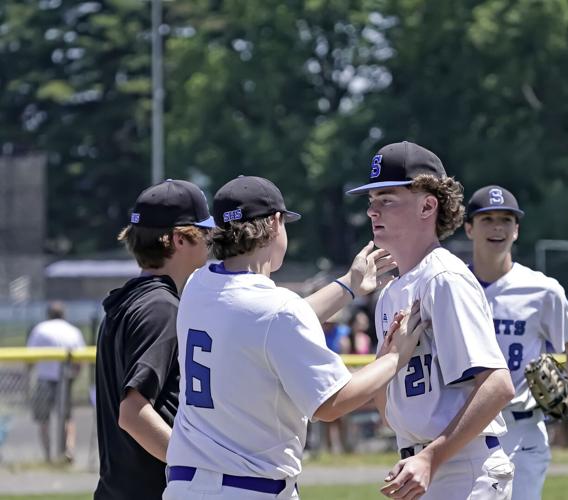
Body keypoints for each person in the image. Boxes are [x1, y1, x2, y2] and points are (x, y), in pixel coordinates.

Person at [164, 175, 425, 499]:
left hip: (182, 487)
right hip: (249, 489)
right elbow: (331, 404)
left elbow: (273, 323)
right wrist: (394, 358)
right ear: (275, 223)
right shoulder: (276, 310)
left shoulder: (197, 285)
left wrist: (349, 285)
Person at [348, 141, 516, 500]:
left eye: (387, 199)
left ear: (428, 205)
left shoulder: (444, 279)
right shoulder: (390, 292)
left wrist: (431, 456)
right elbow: (389, 402)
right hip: (420, 464)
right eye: (371, 201)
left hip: (462, 467)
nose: (373, 211)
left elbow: (498, 385)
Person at [463, 185, 568, 500]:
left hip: (522, 429)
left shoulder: (541, 290)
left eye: (506, 219)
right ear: (468, 228)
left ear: (516, 230)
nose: (497, 227)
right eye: (487, 219)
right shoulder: (452, 287)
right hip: (464, 428)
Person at [94, 179, 217, 500]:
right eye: (204, 234)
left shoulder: (130, 301)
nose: (210, 243)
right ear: (179, 239)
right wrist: (196, 467)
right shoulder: (160, 307)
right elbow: (133, 412)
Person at [26, 301, 85, 463]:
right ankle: (69, 449)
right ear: (63, 314)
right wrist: (75, 376)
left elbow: (30, 356)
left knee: (44, 420)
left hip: (44, 378)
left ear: (48, 314)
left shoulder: (40, 329)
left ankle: (47, 455)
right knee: (67, 418)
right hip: (65, 380)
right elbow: (80, 360)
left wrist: (28, 373)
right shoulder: (73, 331)